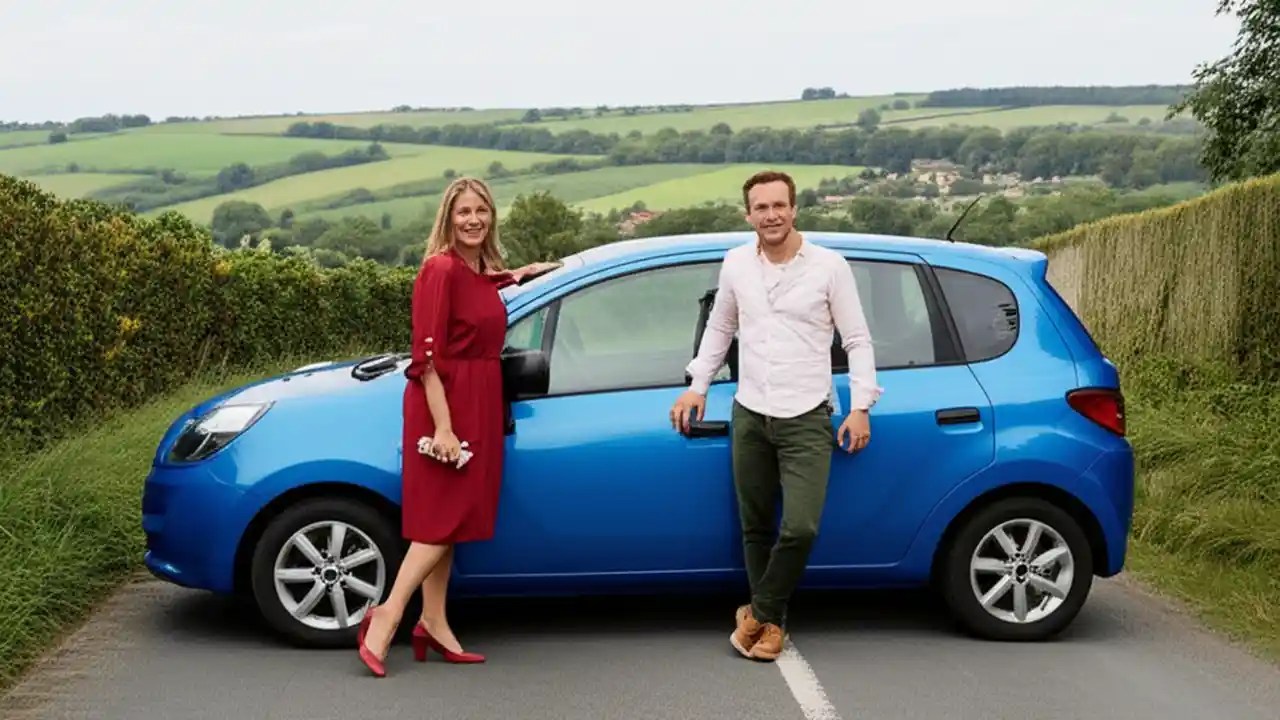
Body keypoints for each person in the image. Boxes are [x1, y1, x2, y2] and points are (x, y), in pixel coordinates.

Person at [669, 170, 880, 662]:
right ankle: (774, 626)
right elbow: (722, 326)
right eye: (761, 208)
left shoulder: (829, 267)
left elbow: (857, 340)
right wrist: (698, 386)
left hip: (807, 415)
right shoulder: (737, 264)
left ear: (794, 208)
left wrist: (861, 407)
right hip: (750, 412)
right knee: (755, 526)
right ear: (749, 214)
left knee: (801, 527)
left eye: (779, 205)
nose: (771, 215)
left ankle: (758, 611)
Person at [357, 177, 559, 677]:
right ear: (448, 217)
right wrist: (444, 429)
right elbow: (424, 359)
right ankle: (387, 617)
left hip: (479, 400)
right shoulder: (438, 269)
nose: (473, 220)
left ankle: (434, 620)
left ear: (491, 217)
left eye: (482, 212)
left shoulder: (474, 270)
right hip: (443, 404)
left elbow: (476, 299)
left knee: (454, 520)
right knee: (438, 523)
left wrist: (518, 275)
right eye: (464, 212)